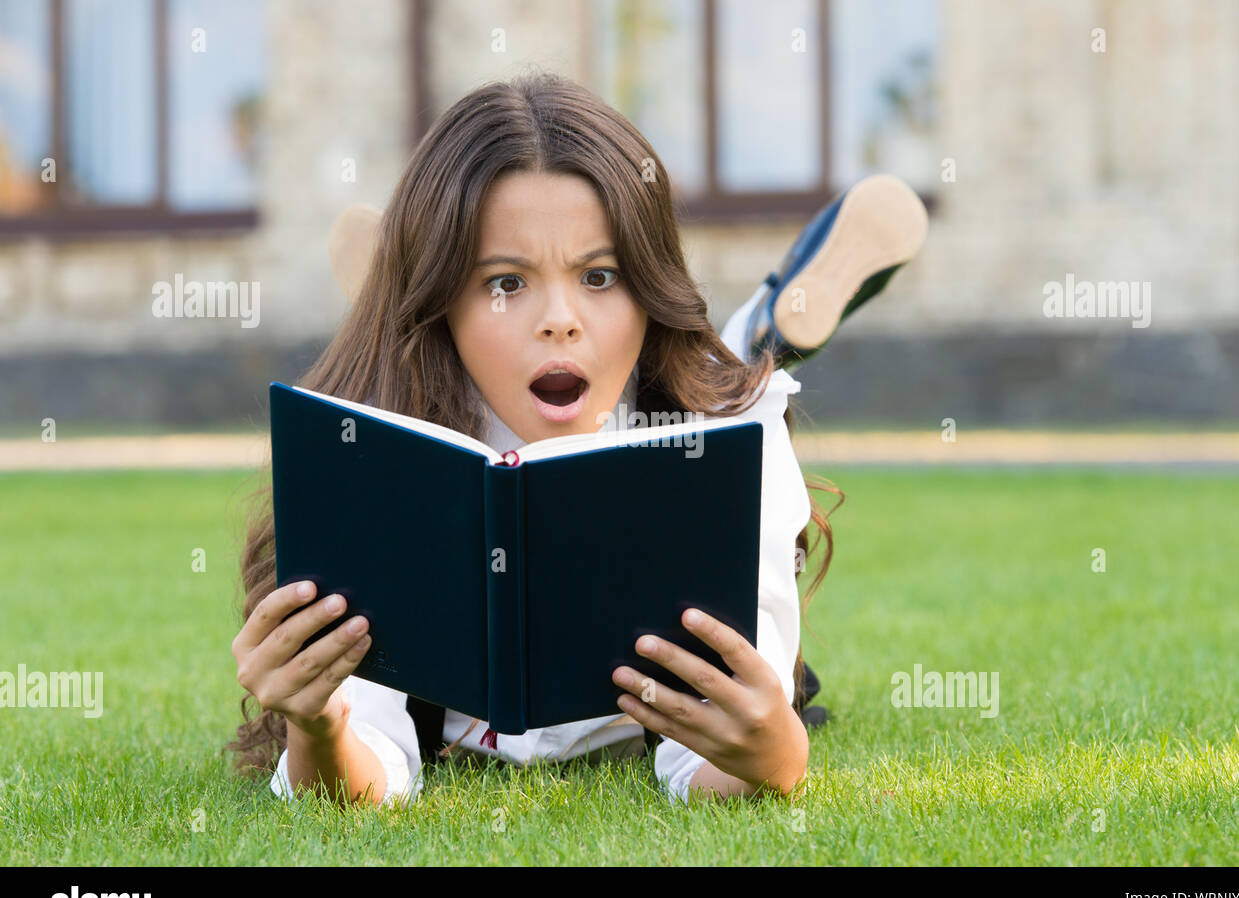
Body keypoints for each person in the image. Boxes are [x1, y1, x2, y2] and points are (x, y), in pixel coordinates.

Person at [228, 70, 917, 808]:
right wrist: (318, 728)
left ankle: (766, 321)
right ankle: (421, 294)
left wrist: (777, 754)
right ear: (445, 304)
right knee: (415, 386)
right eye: (506, 282)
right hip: (453, 689)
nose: (561, 318)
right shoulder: (365, 445)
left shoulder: (728, 437)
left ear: (644, 284)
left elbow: (721, 764)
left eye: (600, 275)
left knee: (725, 374)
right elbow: (359, 780)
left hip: (676, 411)